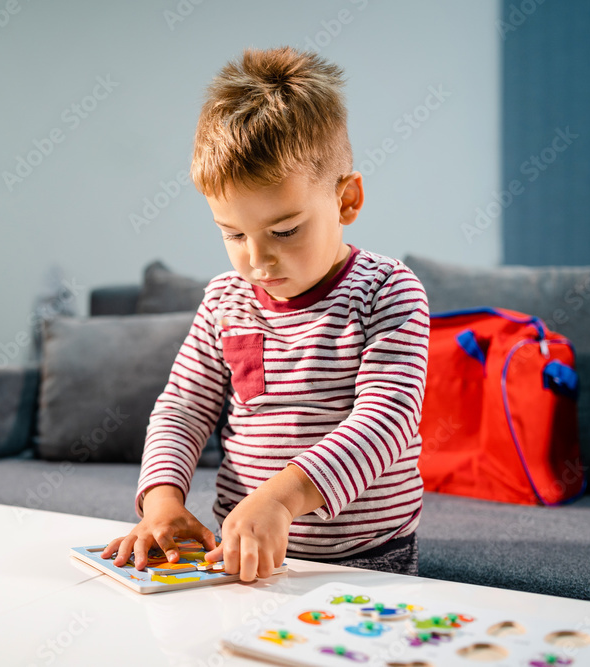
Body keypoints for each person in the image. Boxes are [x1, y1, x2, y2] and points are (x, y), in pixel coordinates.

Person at [101, 46, 429, 581]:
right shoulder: (224, 299)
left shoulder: (387, 291)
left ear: (347, 201)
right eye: (233, 233)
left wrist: (280, 499)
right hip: (239, 555)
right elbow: (183, 408)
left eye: (284, 231)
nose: (257, 259)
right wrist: (161, 501)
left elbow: (385, 421)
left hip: (367, 558)